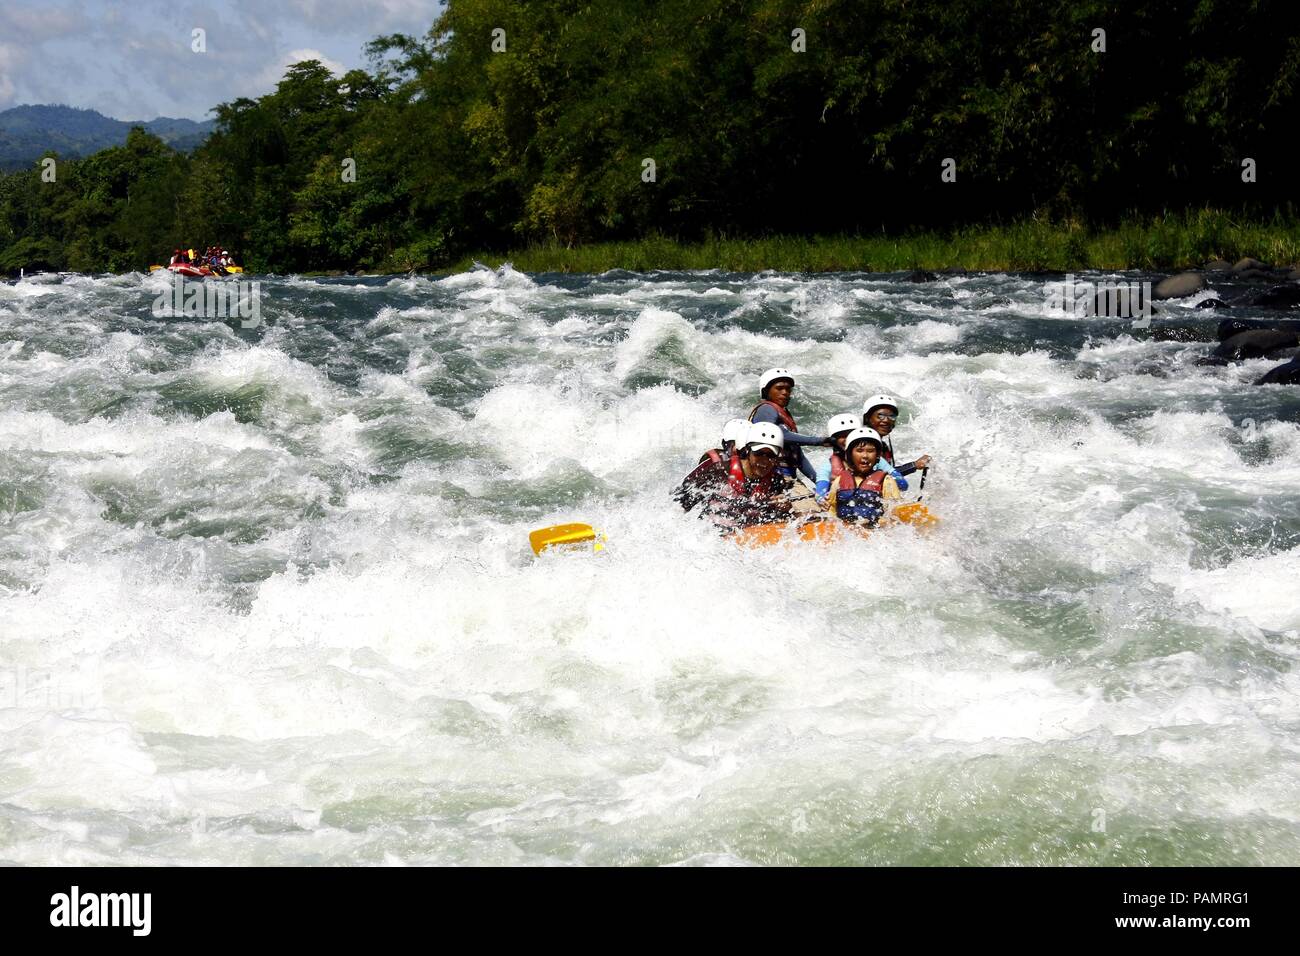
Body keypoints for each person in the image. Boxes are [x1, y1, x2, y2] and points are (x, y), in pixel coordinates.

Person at [674, 422, 792, 531]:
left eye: (771, 455)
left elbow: (776, 518)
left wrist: (784, 508)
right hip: (710, 533)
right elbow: (679, 501)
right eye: (759, 453)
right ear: (746, 451)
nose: (765, 461)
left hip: (745, 534)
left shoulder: (776, 480)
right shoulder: (718, 470)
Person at [748, 367, 829, 485]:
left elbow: (799, 457)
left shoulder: (783, 414)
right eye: (779, 388)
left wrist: (818, 482)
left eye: (788, 389)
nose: (785, 392)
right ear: (766, 391)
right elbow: (779, 434)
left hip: (787, 477)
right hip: (771, 477)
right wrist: (819, 441)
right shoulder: (766, 409)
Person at [827, 427, 909, 527]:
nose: (865, 455)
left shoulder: (886, 480)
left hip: (873, 532)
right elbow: (831, 511)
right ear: (849, 455)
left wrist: (879, 523)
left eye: (870, 451)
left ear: (877, 456)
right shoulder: (839, 481)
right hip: (846, 533)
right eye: (859, 451)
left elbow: (894, 515)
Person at [862, 393, 932, 477]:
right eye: (880, 416)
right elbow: (878, 476)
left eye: (892, 416)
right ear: (867, 418)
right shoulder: (863, 444)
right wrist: (915, 465)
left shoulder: (882, 445)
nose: (886, 420)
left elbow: (889, 471)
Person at [813, 412, 861, 502]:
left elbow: (894, 476)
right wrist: (821, 499)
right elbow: (821, 489)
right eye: (842, 435)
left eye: (851, 434)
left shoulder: (871, 460)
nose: (848, 439)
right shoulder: (828, 466)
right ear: (833, 440)